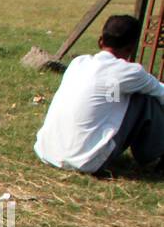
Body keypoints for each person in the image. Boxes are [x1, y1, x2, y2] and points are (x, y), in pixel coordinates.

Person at [35, 15, 164, 174]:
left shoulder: (79, 63)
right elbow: (161, 93)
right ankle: (154, 157)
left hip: (48, 151)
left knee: (119, 95)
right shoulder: (130, 72)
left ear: (100, 41)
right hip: (85, 161)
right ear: (131, 48)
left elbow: (111, 96)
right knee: (146, 98)